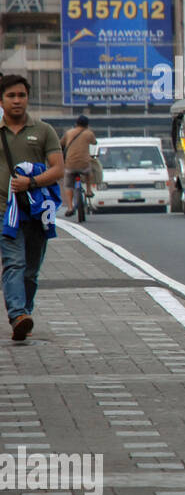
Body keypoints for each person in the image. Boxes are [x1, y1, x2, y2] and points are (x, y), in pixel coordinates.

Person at [0, 74, 64, 341]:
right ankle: (17, 315)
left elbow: (58, 169)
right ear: (1, 100)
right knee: (14, 262)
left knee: (31, 270)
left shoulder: (43, 131)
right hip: (5, 211)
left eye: (21, 95)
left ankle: (24, 312)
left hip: (37, 211)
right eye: (11, 96)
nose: (17, 101)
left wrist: (32, 182)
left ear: (27, 98)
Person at [59, 114, 97, 217]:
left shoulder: (69, 133)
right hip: (84, 164)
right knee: (89, 171)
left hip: (70, 164)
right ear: (87, 125)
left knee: (67, 185)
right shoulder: (89, 133)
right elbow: (94, 142)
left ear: (76, 123)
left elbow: (60, 144)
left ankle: (70, 207)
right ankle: (89, 190)